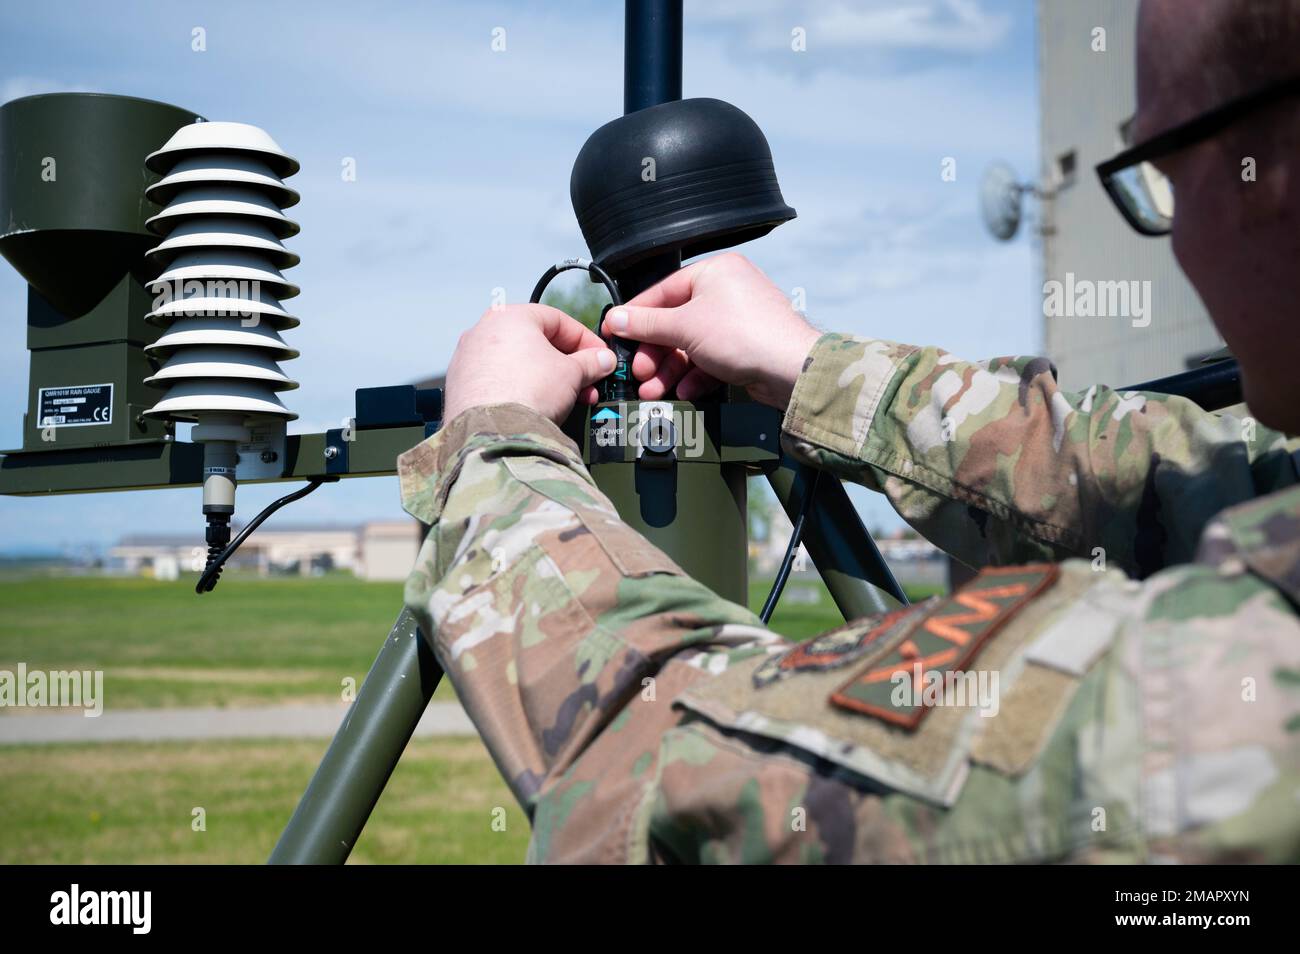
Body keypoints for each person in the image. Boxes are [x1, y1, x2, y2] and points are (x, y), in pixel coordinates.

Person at [398, 0, 1300, 863]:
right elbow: (1160, 477)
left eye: (1161, 176)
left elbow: (666, 770)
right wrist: (812, 367)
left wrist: (491, 446)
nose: (1169, 240)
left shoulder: (1227, 695)